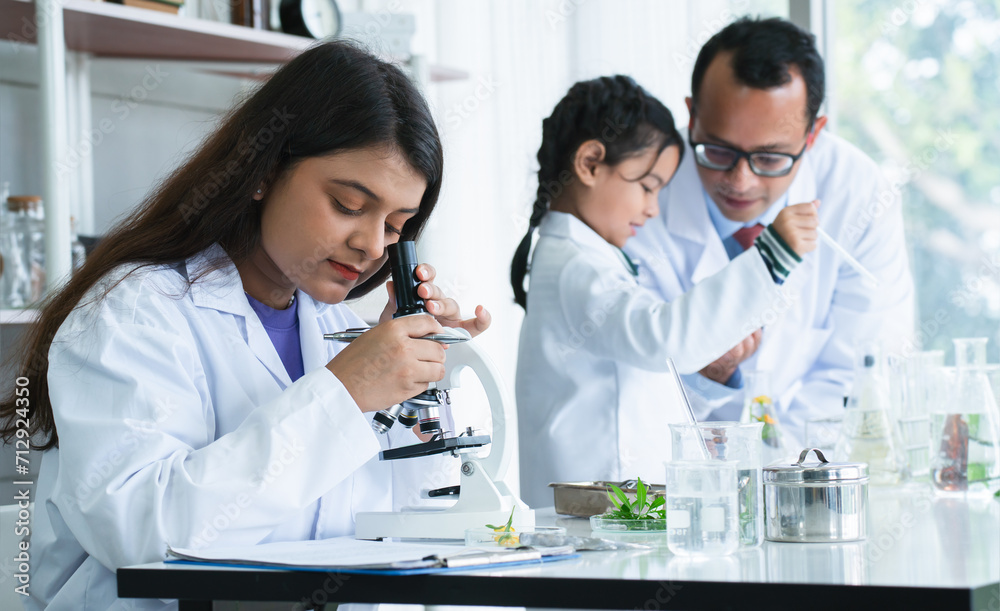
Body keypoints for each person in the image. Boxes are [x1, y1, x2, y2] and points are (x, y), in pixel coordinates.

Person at [0, 41, 490, 611]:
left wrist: (416, 390)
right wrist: (345, 391)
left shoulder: (335, 328)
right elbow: (142, 536)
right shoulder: (134, 310)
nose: (370, 243)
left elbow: (399, 524)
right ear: (262, 170)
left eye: (395, 225)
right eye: (348, 205)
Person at [511, 75, 819, 506]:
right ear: (591, 163)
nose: (653, 208)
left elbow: (643, 380)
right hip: (599, 522)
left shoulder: (585, 260)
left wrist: (712, 372)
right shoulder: (575, 266)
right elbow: (663, 340)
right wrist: (772, 256)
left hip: (613, 516)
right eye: (647, 186)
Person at [627, 16, 915, 445]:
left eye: (770, 158)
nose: (740, 181)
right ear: (692, 117)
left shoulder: (858, 193)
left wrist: (779, 473)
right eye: (719, 150)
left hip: (809, 467)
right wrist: (708, 376)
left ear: (813, 135)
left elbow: (863, 372)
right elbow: (630, 385)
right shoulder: (640, 195)